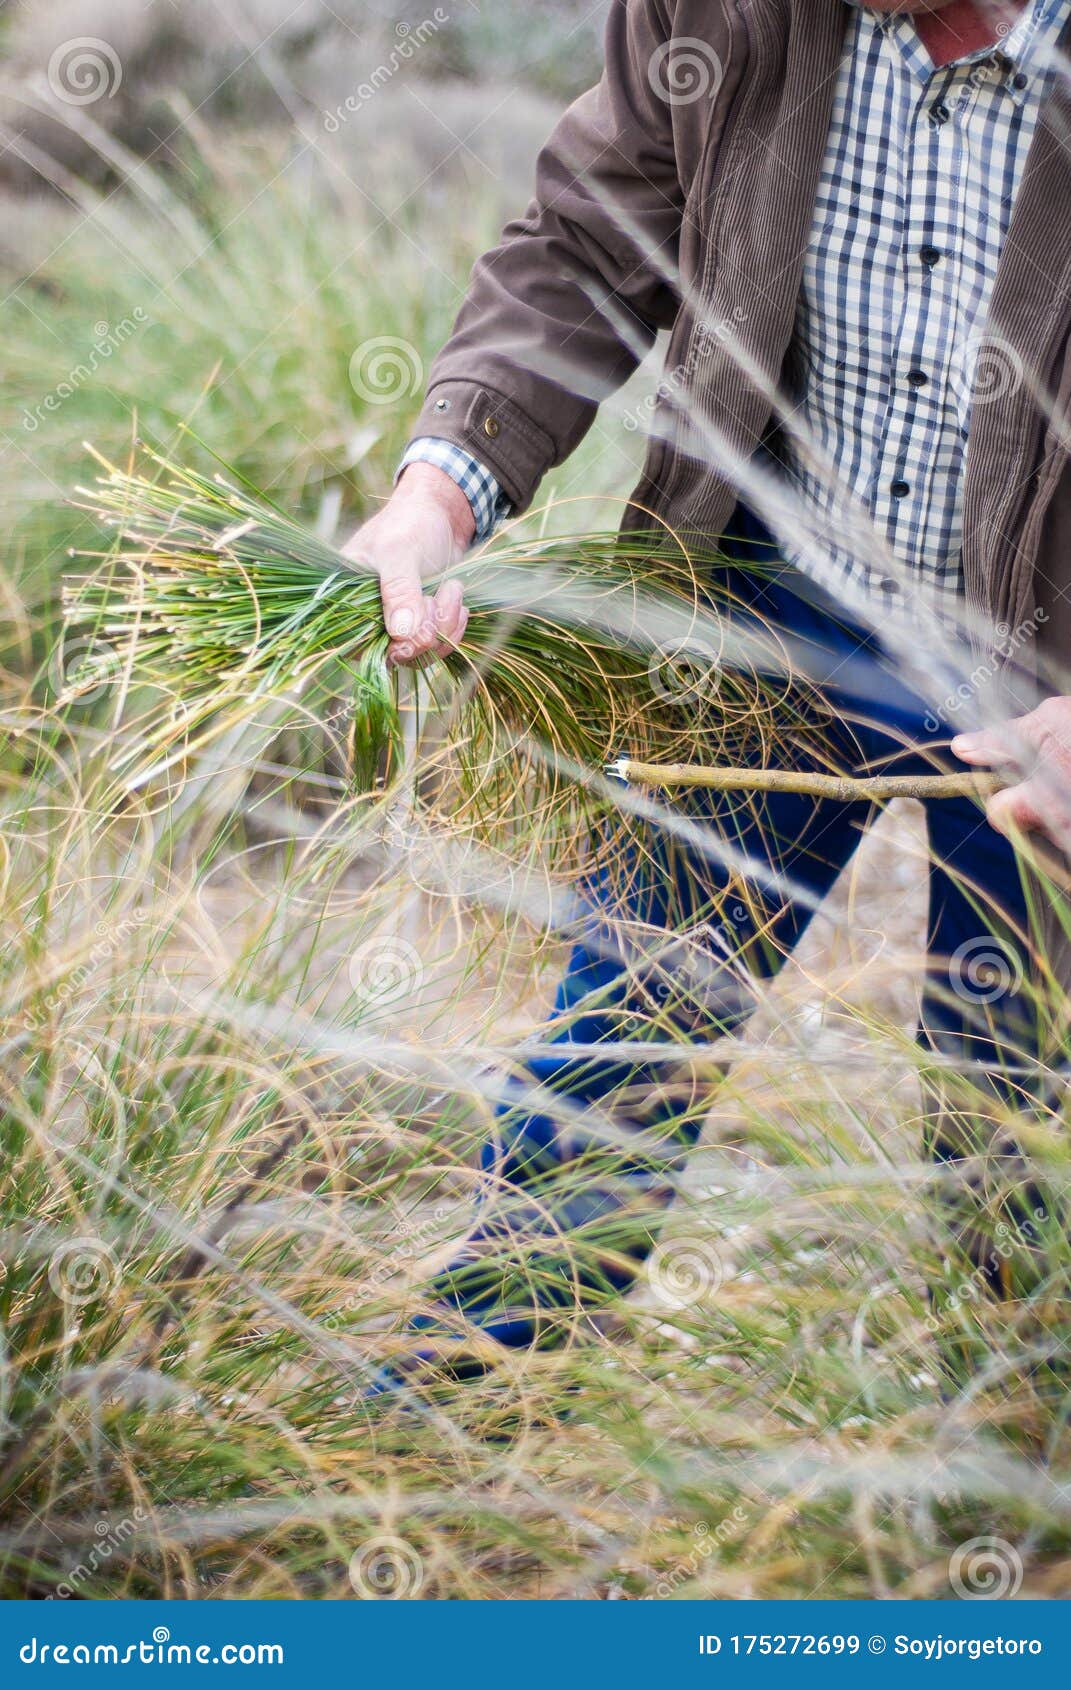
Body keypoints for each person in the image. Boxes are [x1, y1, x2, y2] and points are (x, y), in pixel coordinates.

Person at [344, 1, 1071, 1378]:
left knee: (1022, 1119)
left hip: (1050, 656)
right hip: (769, 610)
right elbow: (582, 242)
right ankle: (440, 1436)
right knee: (618, 1051)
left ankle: (1006, 1491)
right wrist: (438, 496)